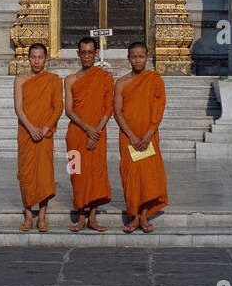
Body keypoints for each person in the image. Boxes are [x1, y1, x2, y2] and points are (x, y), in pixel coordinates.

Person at [113, 40, 167, 233]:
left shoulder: (154, 80)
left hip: (149, 135)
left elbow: (159, 108)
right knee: (130, 175)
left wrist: (149, 134)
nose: (137, 60)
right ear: (128, 59)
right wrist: (133, 136)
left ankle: (144, 215)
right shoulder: (121, 83)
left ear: (147, 58)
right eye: (134, 57)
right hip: (129, 137)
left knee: (147, 176)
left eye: (141, 56)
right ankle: (133, 216)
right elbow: (117, 112)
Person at [64, 35, 114, 232]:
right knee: (77, 174)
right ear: (78, 54)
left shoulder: (105, 78)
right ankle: (81, 217)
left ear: (96, 54)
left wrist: (97, 131)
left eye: (90, 53)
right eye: (83, 52)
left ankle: (92, 217)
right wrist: (87, 129)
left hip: (98, 133)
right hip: (76, 133)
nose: (86, 56)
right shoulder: (70, 80)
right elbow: (68, 110)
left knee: (96, 174)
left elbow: (108, 108)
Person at [14, 42, 64, 231]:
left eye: (40, 57)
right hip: (26, 132)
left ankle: (42, 216)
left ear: (46, 58)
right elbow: (18, 107)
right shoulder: (20, 79)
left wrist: (44, 128)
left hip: (44, 134)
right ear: (28, 58)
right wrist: (31, 127)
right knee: (26, 173)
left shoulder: (53, 80)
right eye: (33, 57)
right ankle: (28, 214)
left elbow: (58, 107)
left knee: (44, 174)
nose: (36, 60)